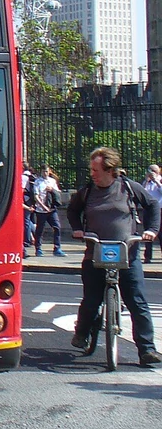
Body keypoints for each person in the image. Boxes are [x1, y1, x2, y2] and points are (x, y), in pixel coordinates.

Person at [66, 146, 162, 365]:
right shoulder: (87, 192)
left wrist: (152, 230)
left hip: (127, 255)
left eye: (96, 170)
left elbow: (153, 205)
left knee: (137, 302)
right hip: (95, 254)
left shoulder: (129, 187)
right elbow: (72, 210)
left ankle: (147, 349)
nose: (92, 174)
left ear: (110, 170)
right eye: (91, 169)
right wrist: (77, 229)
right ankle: (81, 333)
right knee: (91, 300)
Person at [32, 165, 65, 257]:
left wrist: (52, 189)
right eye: (43, 171)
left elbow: (58, 193)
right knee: (40, 229)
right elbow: (36, 196)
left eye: (47, 171)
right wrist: (43, 206)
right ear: (41, 172)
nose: (45, 173)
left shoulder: (52, 181)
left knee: (57, 227)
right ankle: (38, 249)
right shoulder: (37, 182)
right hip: (41, 210)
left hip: (51, 208)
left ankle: (57, 248)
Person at [142, 164, 162, 263]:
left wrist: (156, 181)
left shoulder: (160, 181)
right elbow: (143, 194)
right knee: (147, 233)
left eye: (153, 170)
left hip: (159, 210)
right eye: (150, 171)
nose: (151, 172)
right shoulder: (147, 182)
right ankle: (148, 256)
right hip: (148, 210)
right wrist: (146, 181)